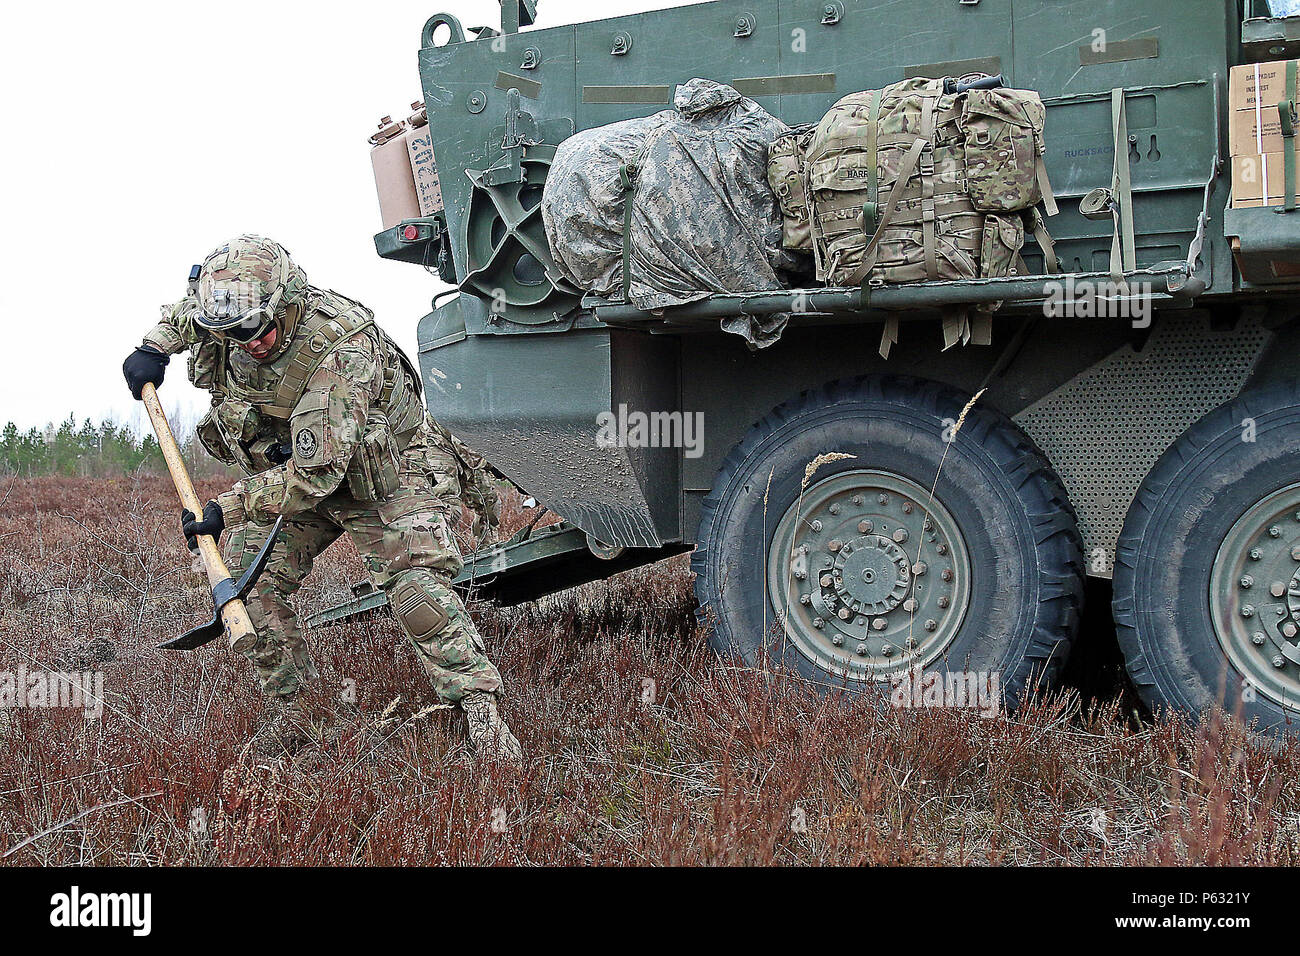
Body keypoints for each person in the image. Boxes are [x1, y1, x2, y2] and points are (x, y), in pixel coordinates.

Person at [122, 234, 522, 762]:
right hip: (297, 471)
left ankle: (481, 712)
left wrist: (228, 508)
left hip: (386, 474)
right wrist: (152, 348)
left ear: (286, 301)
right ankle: (302, 718)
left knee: (415, 588)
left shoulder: (338, 350)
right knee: (249, 584)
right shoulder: (233, 311)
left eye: (258, 329)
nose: (249, 342)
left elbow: (314, 476)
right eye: (232, 333)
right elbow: (187, 317)